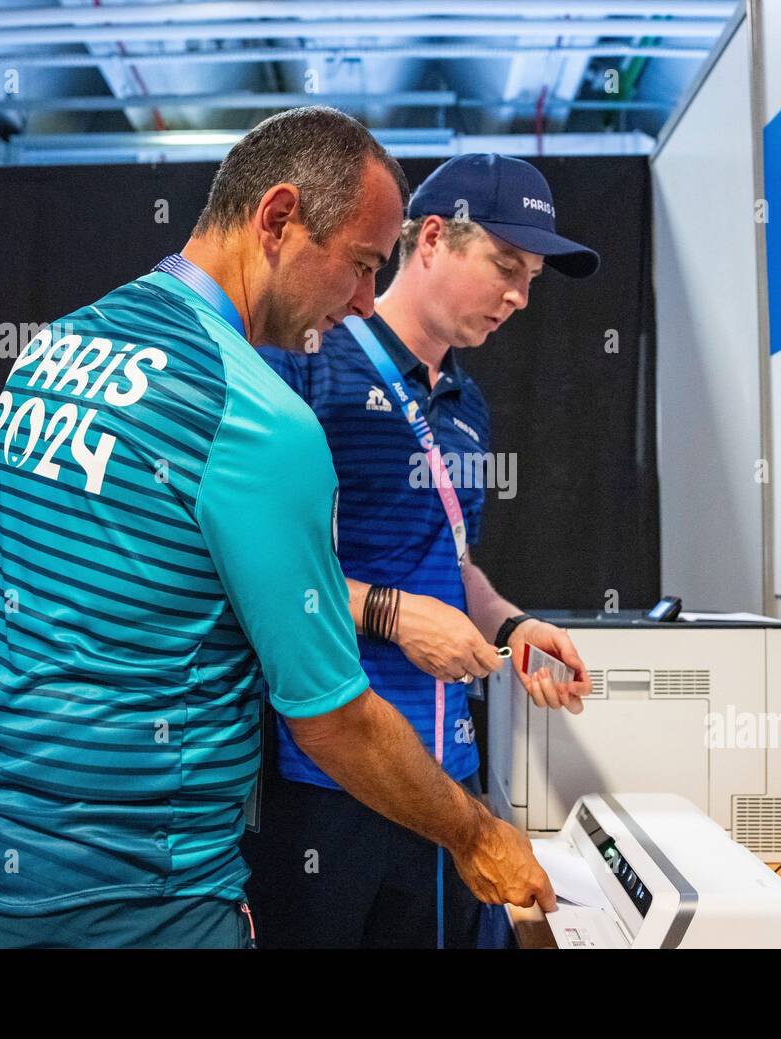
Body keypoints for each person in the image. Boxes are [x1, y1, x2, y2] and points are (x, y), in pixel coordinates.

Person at [0, 108, 553, 949]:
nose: (366, 298)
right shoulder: (261, 416)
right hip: (138, 898)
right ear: (278, 219)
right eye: (363, 265)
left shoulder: (58, 345)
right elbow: (329, 717)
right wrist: (478, 834)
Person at [248, 153, 598, 949]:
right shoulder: (308, 360)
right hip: (332, 767)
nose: (518, 295)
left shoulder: (467, 403)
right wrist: (394, 615)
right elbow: (256, 570)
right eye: (505, 265)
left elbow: (455, 561)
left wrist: (514, 630)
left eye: (533, 278)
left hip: (448, 775)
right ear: (432, 238)